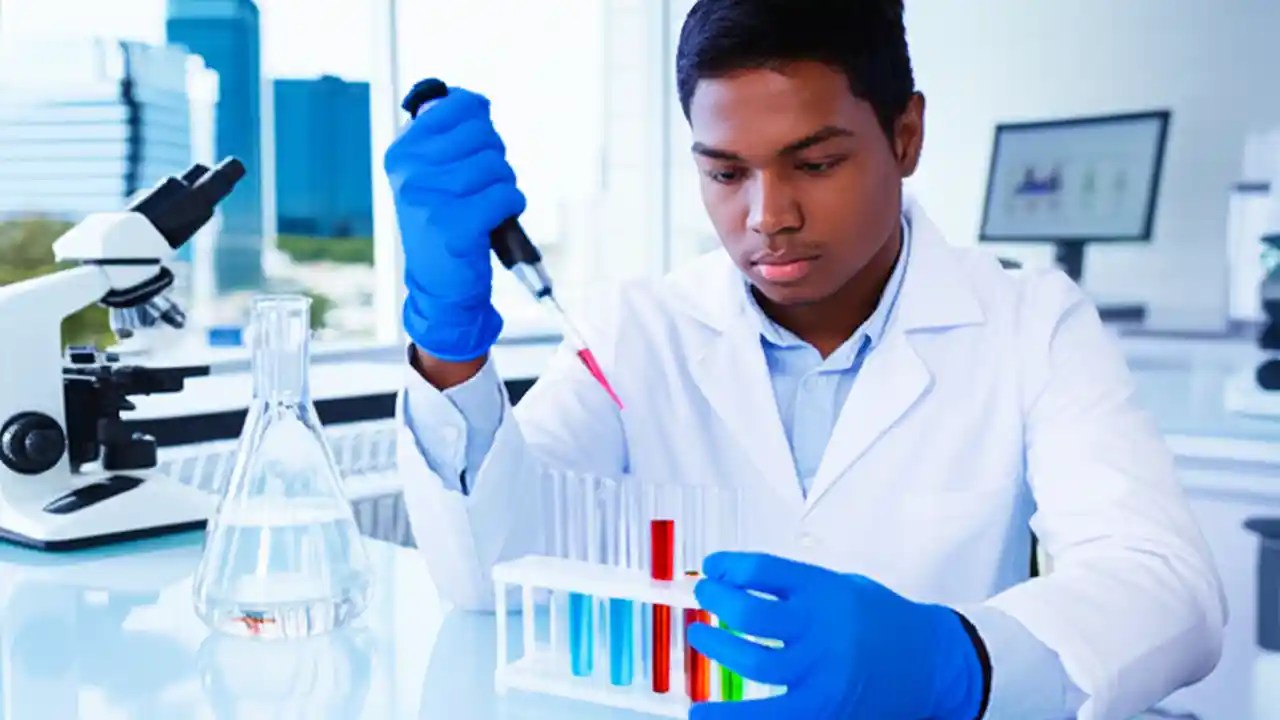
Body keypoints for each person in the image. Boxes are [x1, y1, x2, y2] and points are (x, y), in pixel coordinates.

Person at [384, 1, 1225, 717]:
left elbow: (1167, 589)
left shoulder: (1027, 322)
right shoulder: (638, 331)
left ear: (906, 135)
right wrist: (449, 346)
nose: (767, 216)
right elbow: (486, 574)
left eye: (816, 163)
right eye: (724, 173)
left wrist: (954, 661)